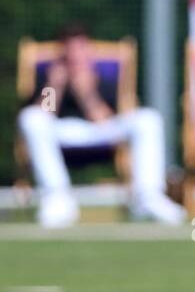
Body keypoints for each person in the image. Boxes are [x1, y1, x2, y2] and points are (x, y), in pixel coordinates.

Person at [18, 24, 185, 228]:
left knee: (147, 119)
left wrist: (86, 93)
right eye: (69, 50)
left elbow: (104, 120)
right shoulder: (48, 77)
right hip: (62, 132)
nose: (75, 56)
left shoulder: (102, 77)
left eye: (80, 49)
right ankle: (57, 198)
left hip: (99, 131)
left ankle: (148, 198)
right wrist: (55, 86)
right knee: (30, 118)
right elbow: (43, 117)